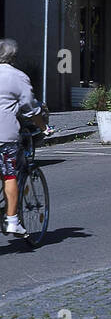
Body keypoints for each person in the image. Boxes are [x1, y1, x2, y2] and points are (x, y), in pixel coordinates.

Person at [0, 39, 48, 237]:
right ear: (13, 57)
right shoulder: (17, 77)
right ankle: (12, 220)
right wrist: (44, 127)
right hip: (4, 135)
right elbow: (30, 108)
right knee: (10, 173)